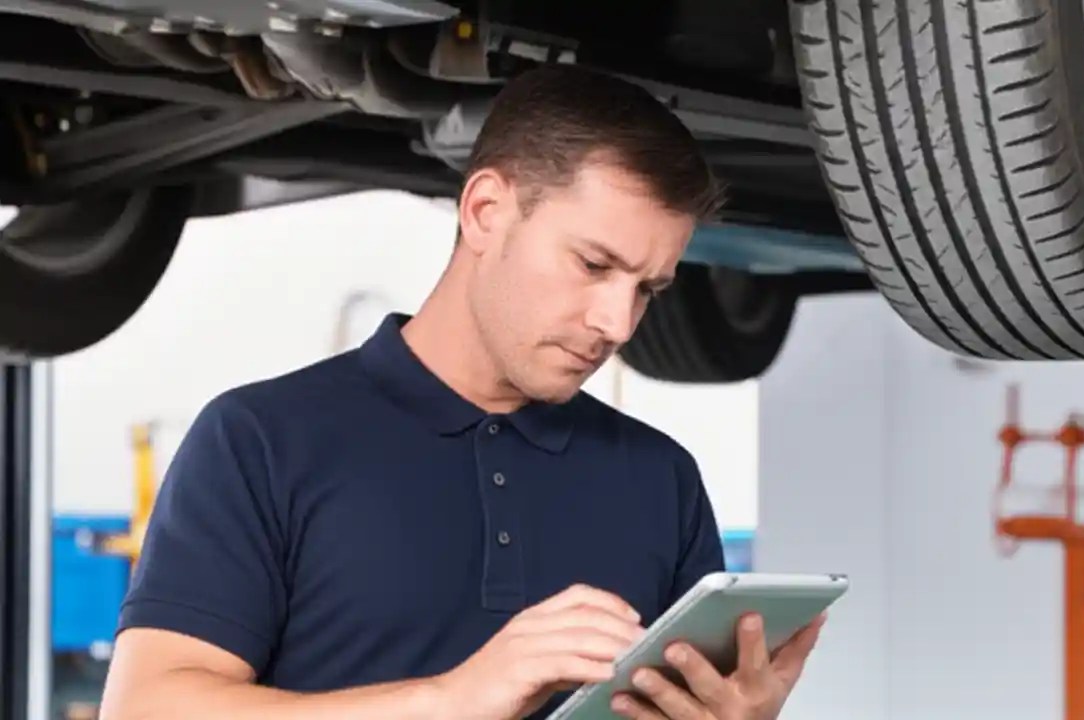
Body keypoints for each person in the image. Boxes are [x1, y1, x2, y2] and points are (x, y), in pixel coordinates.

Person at [98, 63, 826, 720]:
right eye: (593, 264)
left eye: (647, 289)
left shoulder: (660, 479)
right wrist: (455, 698)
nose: (617, 322)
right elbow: (147, 708)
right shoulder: (260, 439)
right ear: (484, 211)